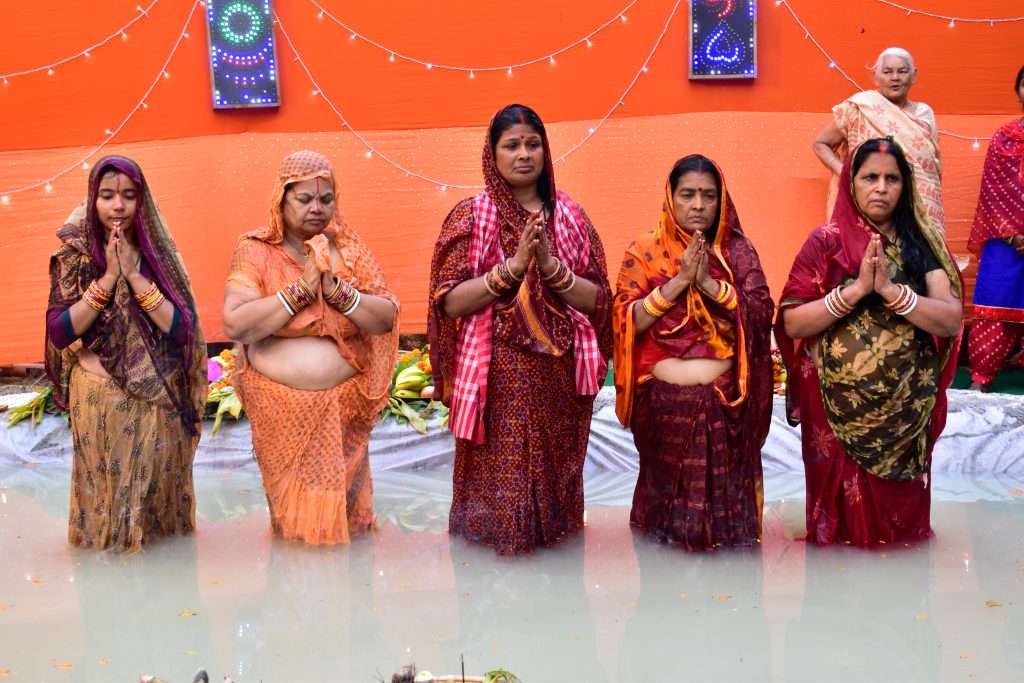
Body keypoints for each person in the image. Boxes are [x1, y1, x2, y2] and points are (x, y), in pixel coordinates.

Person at [428, 104, 613, 555]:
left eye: (533, 144)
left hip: (561, 380)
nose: (524, 154)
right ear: (493, 154)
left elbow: (601, 301)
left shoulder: (570, 217)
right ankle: (492, 584)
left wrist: (552, 270)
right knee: (500, 496)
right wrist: (509, 271)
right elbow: (448, 303)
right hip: (495, 376)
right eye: (511, 145)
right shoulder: (470, 216)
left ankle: (553, 584)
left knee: (554, 502)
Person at [775, 138, 962, 547]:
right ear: (850, 182)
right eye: (870, 177)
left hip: (905, 410)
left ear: (905, 185)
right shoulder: (824, 243)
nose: (881, 187)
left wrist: (894, 293)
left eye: (892, 178)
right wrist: (856, 292)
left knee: (900, 537)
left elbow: (950, 319)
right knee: (836, 532)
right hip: (831, 402)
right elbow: (792, 322)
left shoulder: (922, 246)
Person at [222, 150, 398, 545]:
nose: (317, 208)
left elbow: (385, 316)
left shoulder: (348, 249)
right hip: (284, 417)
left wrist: (336, 291)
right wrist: (302, 290)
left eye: (326, 198)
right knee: (298, 530)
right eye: (304, 199)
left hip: (344, 412)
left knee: (346, 526)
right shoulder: (256, 250)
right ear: (281, 200)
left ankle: (344, 590)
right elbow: (235, 321)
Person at [44, 155, 207, 552]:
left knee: (155, 520)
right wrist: (109, 279)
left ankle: (162, 596)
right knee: (107, 515)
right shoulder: (76, 256)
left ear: (141, 201)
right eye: (107, 195)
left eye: (129, 196)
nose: (118, 206)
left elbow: (181, 329)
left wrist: (134, 276)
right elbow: (60, 331)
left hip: (157, 400)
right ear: (93, 199)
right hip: (99, 402)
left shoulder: (158, 254)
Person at [612, 155, 774, 550]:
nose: (698, 205)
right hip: (662, 409)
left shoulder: (738, 252)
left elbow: (762, 312)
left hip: (727, 405)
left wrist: (710, 286)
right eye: (688, 194)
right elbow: (622, 321)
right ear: (671, 198)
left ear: (722, 201)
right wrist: (680, 282)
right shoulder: (644, 250)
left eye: (708, 195)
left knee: (729, 539)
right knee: (663, 537)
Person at [812, 48, 946, 237]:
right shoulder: (859, 107)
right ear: (876, 77)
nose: (895, 77)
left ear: (914, 76)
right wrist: (845, 173)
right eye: (887, 72)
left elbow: (932, 168)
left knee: (916, 263)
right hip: (868, 205)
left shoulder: (924, 114)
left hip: (916, 212)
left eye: (902, 71)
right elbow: (821, 144)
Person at [967, 65, 1024, 391]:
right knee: (996, 297)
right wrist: (1013, 234)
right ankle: (982, 375)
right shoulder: (1004, 138)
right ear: (1018, 90)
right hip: (1006, 238)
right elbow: (992, 193)